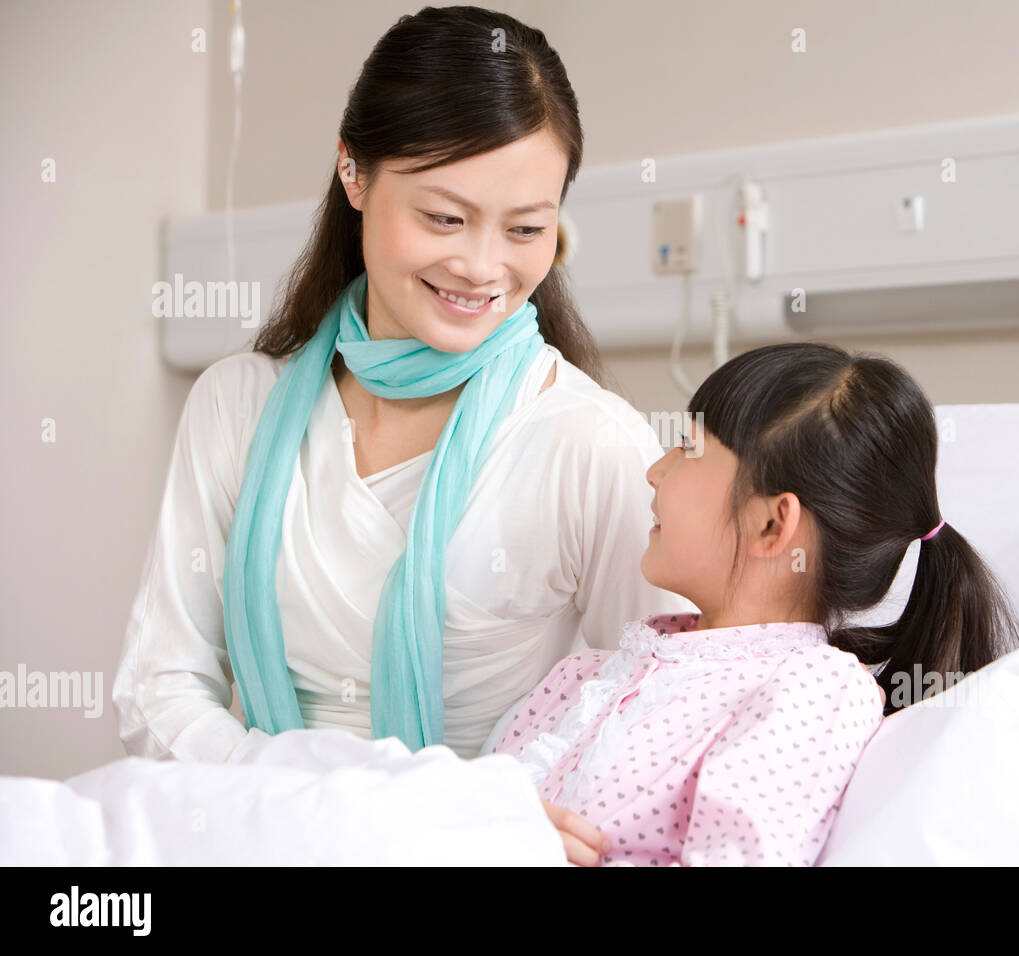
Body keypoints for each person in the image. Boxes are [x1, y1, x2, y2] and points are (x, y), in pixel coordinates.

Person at [112, 6, 693, 863]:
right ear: (353, 172)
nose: (484, 266)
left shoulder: (587, 444)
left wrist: (457, 825)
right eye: (445, 218)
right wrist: (314, 810)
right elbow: (161, 687)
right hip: (256, 836)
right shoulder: (237, 406)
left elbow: (651, 717)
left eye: (527, 229)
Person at [490, 344, 1019, 865]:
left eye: (688, 447)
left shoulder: (810, 691)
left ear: (772, 523)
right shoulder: (581, 679)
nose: (655, 471)